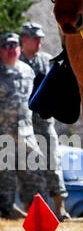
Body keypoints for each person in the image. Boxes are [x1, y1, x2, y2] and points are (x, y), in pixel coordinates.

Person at [18, 23, 67, 220]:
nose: (39, 41)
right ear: (24, 40)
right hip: (22, 126)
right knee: (25, 167)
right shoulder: (14, 62)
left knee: (52, 163)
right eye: (35, 38)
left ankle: (60, 209)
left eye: (41, 38)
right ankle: (28, 209)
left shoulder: (48, 61)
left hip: (45, 123)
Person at [0, 33, 37, 219]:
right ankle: (6, 211)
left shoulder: (27, 71)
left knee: (32, 172)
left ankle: (33, 210)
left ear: (19, 48)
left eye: (14, 46)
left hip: (25, 132)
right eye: (6, 46)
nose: (10, 50)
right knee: (5, 176)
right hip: (2, 134)